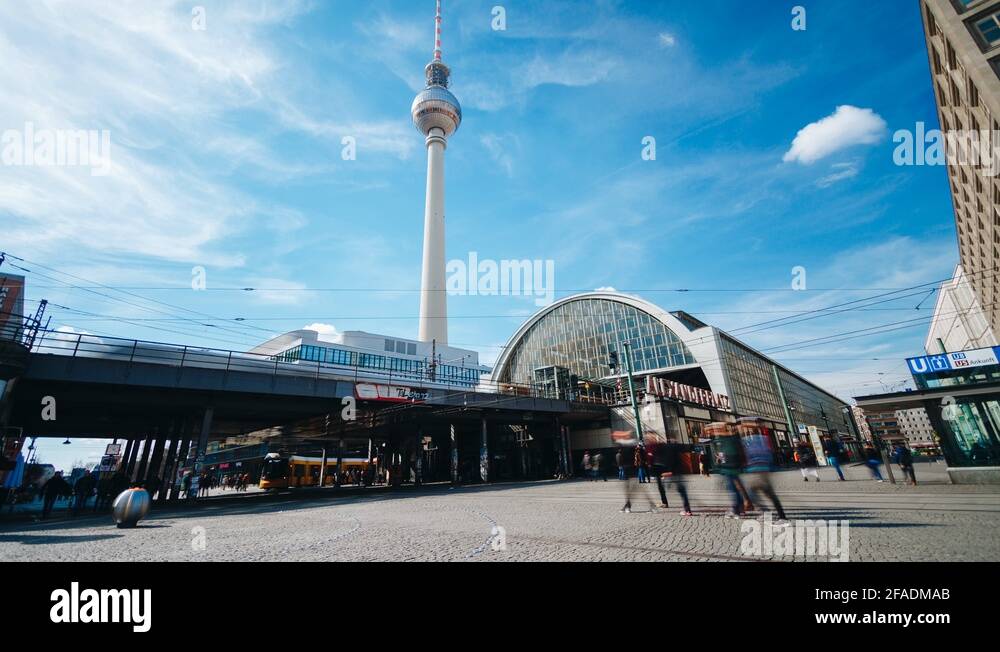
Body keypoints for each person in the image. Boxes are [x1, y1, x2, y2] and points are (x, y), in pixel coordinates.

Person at [740, 427, 788, 522]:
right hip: (764, 469)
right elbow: (769, 453)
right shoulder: (763, 439)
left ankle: (774, 515)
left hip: (756, 470)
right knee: (768, 493)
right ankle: (780, 516)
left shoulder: (747, 441)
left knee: (753, 494)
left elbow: (748, 455)